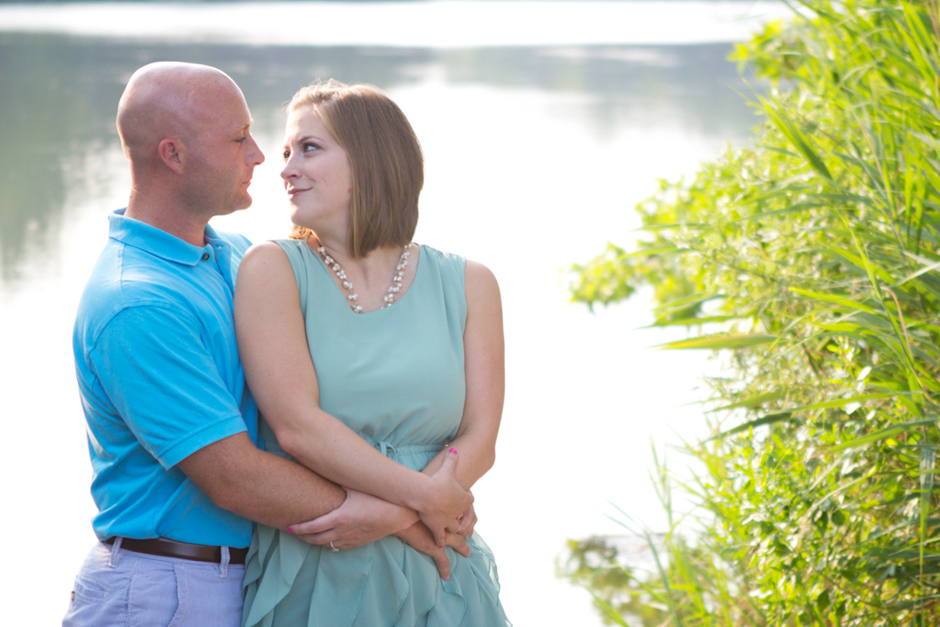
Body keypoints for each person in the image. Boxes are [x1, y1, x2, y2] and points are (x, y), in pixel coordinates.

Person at [65, 63, 470, 627]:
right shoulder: (137, 303)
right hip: (171, 590)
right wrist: (405, 515)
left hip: (248, 574)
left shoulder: (233, 255)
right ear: (173, 155)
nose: (261, 157)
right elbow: (235, 476)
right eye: (238, 140)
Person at [235, 80, 510, 626]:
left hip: (440, 562)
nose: (285, 168)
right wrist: (423, 502)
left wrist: (410, 513)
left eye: (308, 148)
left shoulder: (470, 282)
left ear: (370, 161)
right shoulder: (273, 269)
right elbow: (298, 426)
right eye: (287, 151)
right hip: (325, 562)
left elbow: (481, 435)